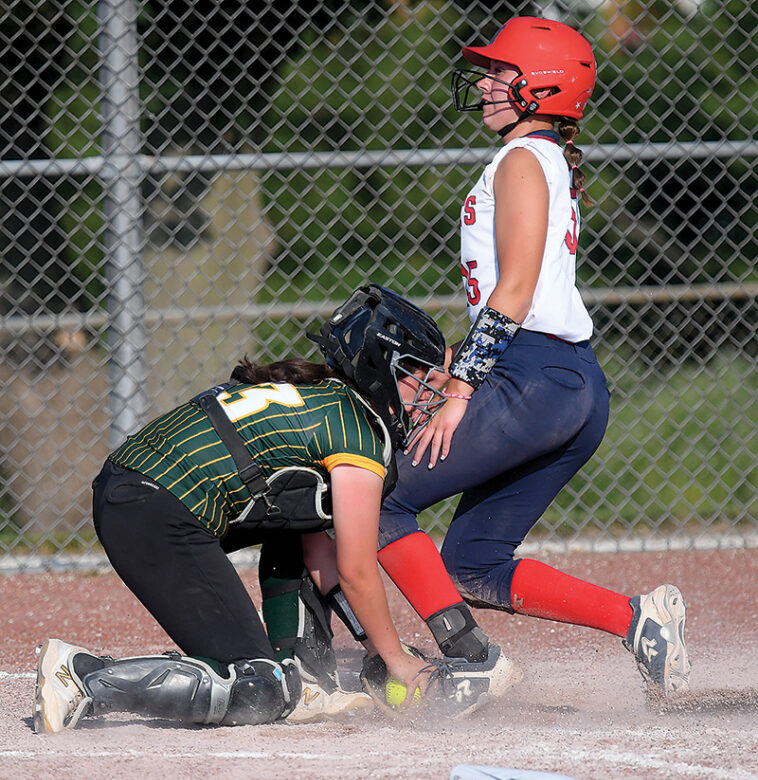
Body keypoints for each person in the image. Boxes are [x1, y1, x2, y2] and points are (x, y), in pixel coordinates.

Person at [32, 285, 514, 735]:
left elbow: (321, 556)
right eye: (420, 378)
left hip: (141, 494)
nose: (429, 394)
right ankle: (87, 680)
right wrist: (399, 662)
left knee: (301, 518)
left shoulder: (326, 395)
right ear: (380, 366)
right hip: (155, 509)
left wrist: (376, 649)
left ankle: (297, 675)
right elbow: (357, 569)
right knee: (259, 689)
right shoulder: (359, 429)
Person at [372, 17, 691, 697]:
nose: (485, 84)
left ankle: (471, 665)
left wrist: (459, 390)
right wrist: (454, 363)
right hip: (568, 382)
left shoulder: (521, 159)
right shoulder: (543, 158)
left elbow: (514, 291)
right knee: (471, 564)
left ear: (544, 85)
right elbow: (527, 296)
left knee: (375, 499)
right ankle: (637, 621)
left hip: (533, 379)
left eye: (500, 73)